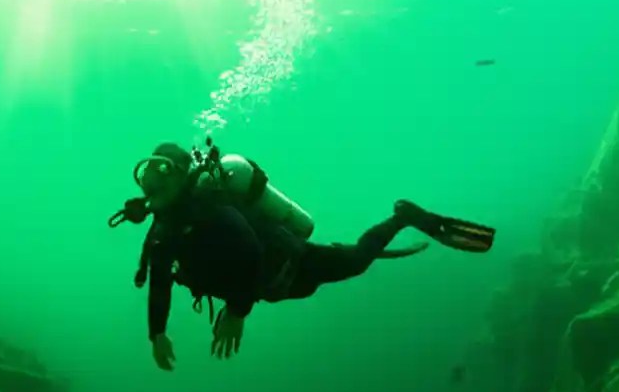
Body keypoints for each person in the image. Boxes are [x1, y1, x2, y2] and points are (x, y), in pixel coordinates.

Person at [110, 141, 495, 371]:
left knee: (358, 260)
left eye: (162, 171)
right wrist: (156, 332)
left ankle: (403, 216)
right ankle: (395, 225)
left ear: (181, 175)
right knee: (352, 259)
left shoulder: (211, 209)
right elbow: (159, 280)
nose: (151, 179)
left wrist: (238, 312)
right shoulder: (163, 232)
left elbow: (247, 248)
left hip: (294, 264)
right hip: (274, 286)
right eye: (146, 173)